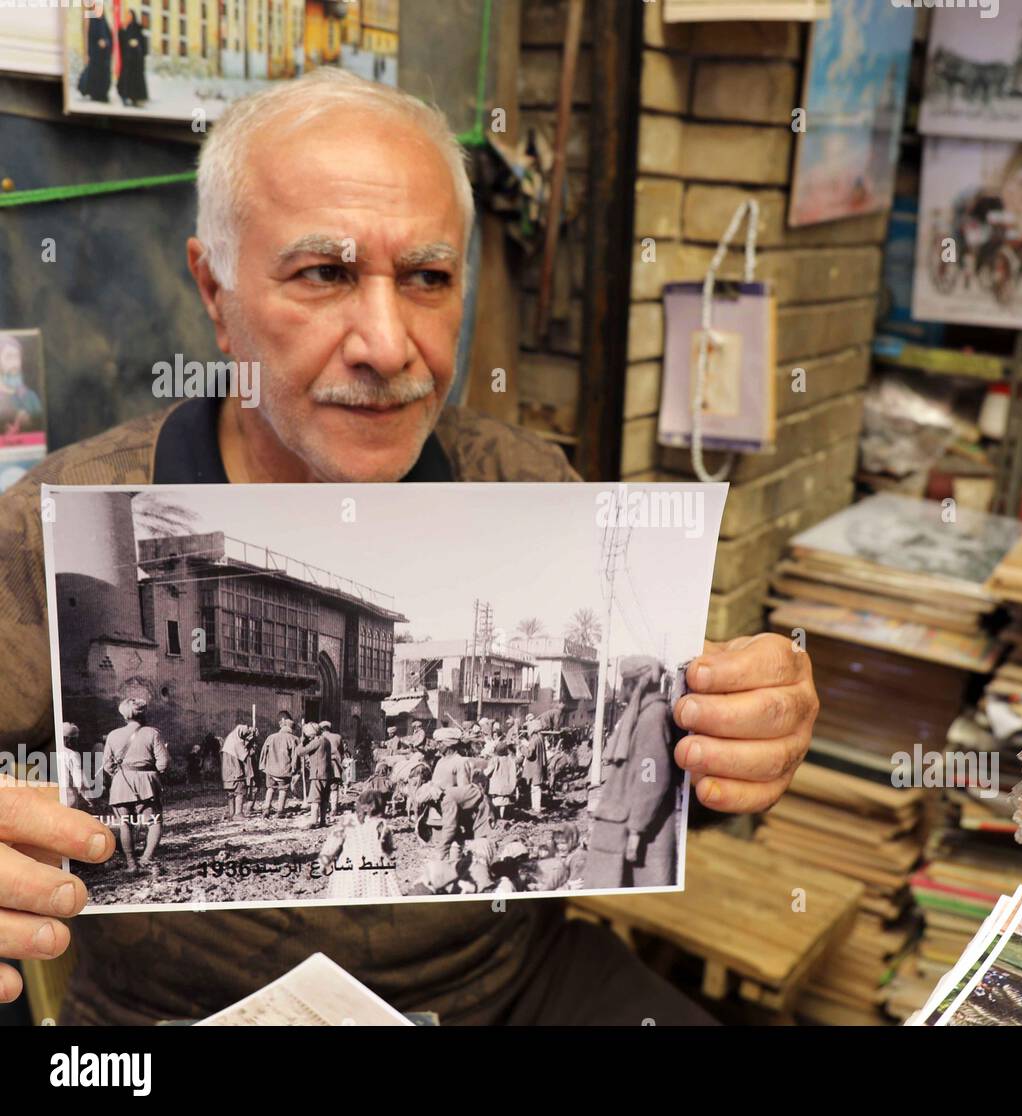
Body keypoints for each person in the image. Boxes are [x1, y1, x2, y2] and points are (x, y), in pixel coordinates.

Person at [0, 69, 817, 1025]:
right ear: (214, 293)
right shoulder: (46, 520)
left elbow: (668, 764)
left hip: (502, 995)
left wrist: (747, 733)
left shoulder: (530, 487)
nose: (388, 345)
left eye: (427, 278)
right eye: (325, 274)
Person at [583, 658, 681, 890]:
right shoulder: (642, 715)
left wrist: (636, 829)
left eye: (625, 684)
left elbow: (651, 779)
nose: (621, 691)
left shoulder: (652, 717)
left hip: (641, 836)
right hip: (627, 827)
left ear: (636, 685)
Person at [102, 698, 169, 873]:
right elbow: (164, 762)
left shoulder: (113, 735)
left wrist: (121, 775)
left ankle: (131, 864)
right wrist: (155, 775)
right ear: (143, 713)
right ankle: (146, 858)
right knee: (154, 822)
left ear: (124, 715)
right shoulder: (152, 733)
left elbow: (107, 765)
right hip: (147, 781)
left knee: (125, 824)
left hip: (121, 782)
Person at [318, 788, 401, 900]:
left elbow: (332, 845)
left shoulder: (348, 821)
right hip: (375, 869)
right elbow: (388, 850)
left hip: (349, 867)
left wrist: (322, 864)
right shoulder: (382, 824)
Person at [0, 334, 43, 438]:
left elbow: (39, 421)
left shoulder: (31, 397)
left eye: (17, 357)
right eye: (9, 357)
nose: (15, 363)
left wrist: (28, 422)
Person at [258, 712, 300, 818]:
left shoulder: (271, 737)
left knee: (270, 788)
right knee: (283, 789)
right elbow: (296, 756)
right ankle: (280, 811)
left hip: (270, 769)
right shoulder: (294, 739)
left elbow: (263, 752)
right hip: (284, 770)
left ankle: (266, 808)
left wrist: (263, 766)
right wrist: (295, 769)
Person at [76, 2, 114, 103]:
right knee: (94, 74)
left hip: (104, 56)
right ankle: (95, 94)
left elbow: (110, 38)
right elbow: (87, 38)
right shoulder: (91, 21)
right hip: (94, 54)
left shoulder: (104, 21)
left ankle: (103, 94)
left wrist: (105, 42)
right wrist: (86, 53)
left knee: (105, 75)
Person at [220, 724, 256, 819]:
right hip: (235, 771)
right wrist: (252, 749)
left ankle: (231, 813)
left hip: (226, 772)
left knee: (230, 793)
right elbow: (245, 756)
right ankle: (238, 813)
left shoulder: (230, 739)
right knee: (240, 790)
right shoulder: (237, 743)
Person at [116, 9, 149, 107]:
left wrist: (136, 43)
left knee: (135, 79)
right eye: (127, 15)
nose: (128, 17)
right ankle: (125, 97)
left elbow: (142, 41)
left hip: (136, 60)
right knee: (125, 78)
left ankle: (136, 98)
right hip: (127, 59)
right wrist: (122, 30)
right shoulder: (123, 28)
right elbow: (122, 42)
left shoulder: (136, 27)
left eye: (130, 16)